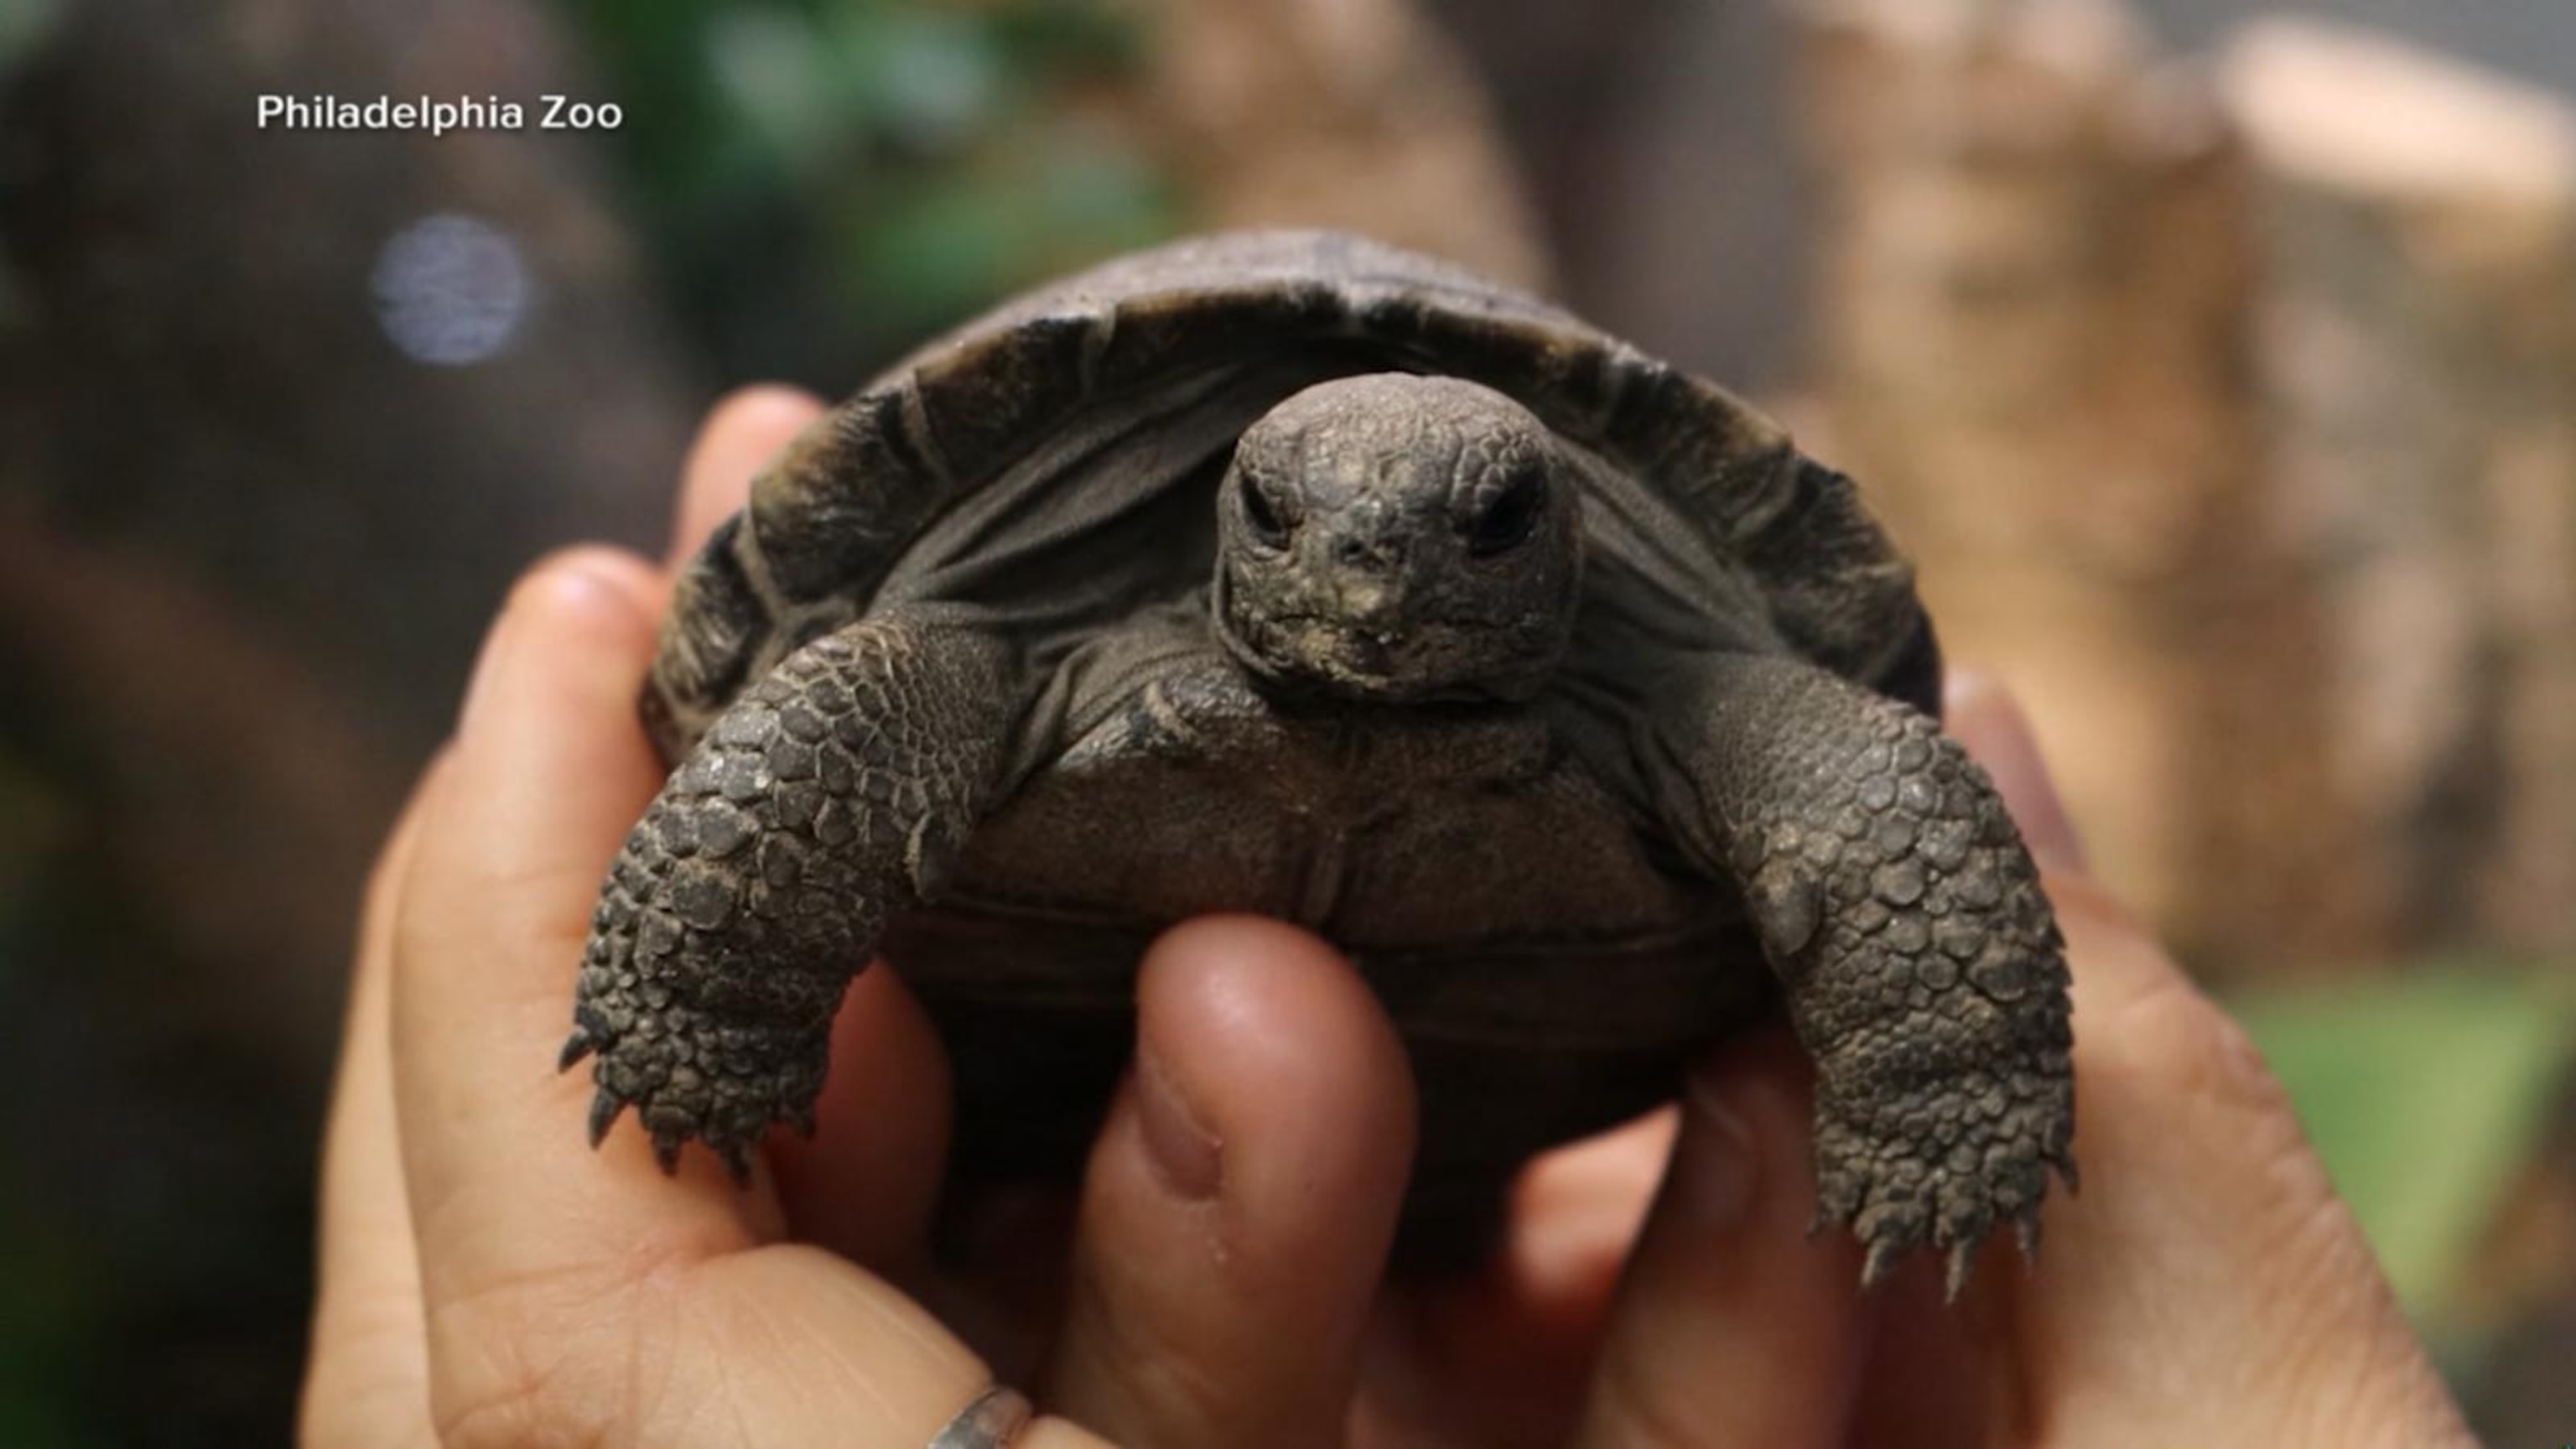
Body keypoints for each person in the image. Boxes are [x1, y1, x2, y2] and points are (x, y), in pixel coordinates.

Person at [299, 389, 2477, 1449]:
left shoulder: (1709, 703)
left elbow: (1874, 786)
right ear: (1226, 509)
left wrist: (1943, 1069)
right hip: (1042, 1090)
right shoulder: (992, 638)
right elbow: (848, 693)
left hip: (1510, 1174)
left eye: (1476, 531)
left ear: (1552, 536)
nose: (1377, 572)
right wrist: (708, 988)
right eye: (1295, 523)